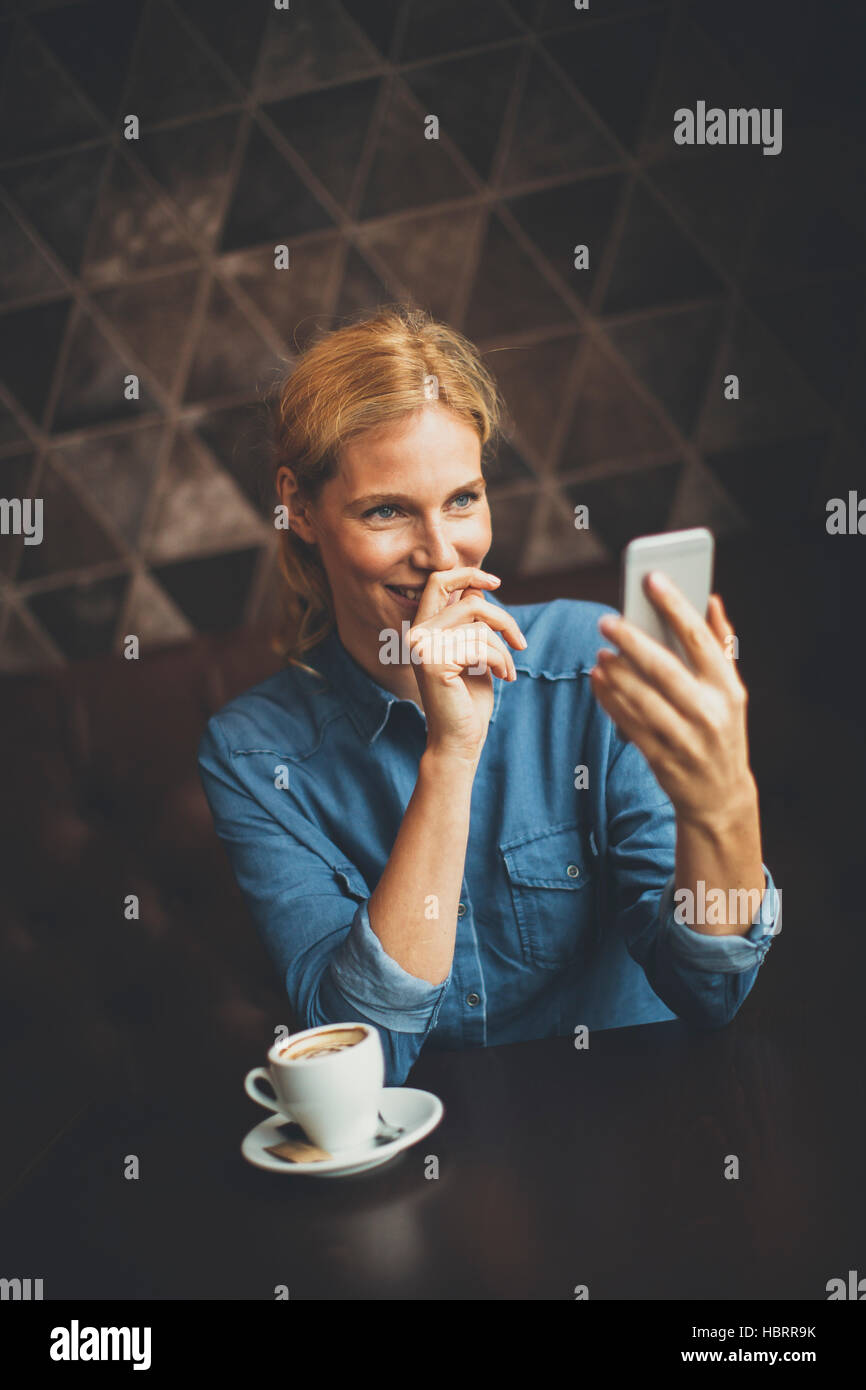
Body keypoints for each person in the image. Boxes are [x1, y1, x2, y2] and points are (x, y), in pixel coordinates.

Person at [197, 304, 779, 1088]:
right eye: (387, 511)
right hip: (435, 1172)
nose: (441, 555)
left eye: (463, 500)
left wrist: (725, 802)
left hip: (642, 1140)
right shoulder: (254, 755)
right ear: (298, 505)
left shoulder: (587, 663)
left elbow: (711, 990)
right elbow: (362, 1056)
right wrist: (451, 754)